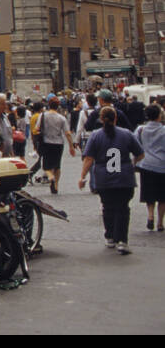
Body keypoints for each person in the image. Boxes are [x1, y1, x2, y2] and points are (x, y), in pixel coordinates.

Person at [79, 106, 144, 254]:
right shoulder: (126, 134)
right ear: (116, 118)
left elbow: (88, 158)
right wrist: (131, 164)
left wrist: (82, 176)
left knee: (107, 207)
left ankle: (110, 236)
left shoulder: (95, 136)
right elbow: (140, 154)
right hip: (124, 177)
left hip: (104, 177)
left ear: (101, 119)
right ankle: (122, 240)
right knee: (123, 208)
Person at [35, 97, 77, 194]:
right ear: (58, 106)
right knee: (57, 166)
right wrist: (71, 146)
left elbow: (37, 128)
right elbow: (67, 133)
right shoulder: (61, 118)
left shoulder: (42, 115)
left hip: (46, 142)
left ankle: (50, 176)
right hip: (58, 143)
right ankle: (56, 185)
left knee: (46, 165)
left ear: (49, 105)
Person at [134, 104, 165, 232]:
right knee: (162, 196)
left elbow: (135, 145)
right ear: (159, 116)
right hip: (162, 165)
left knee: (149, 193)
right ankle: (160, 223)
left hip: (145, 164)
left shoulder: (141, 129)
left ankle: (150, 216)